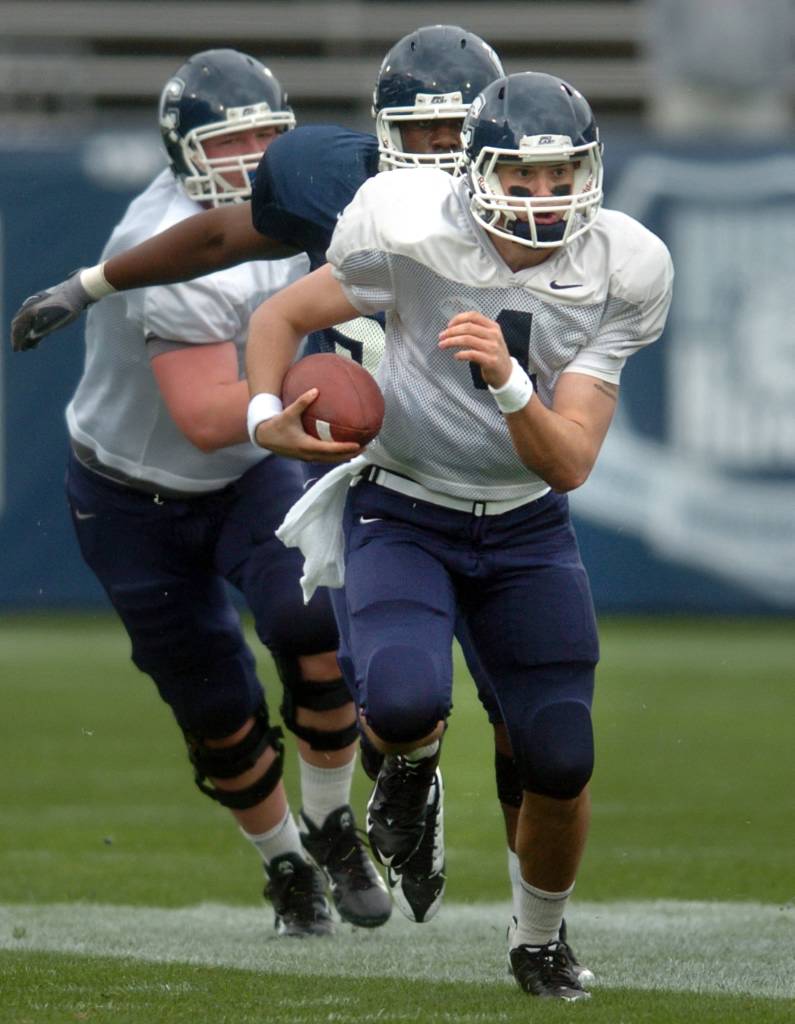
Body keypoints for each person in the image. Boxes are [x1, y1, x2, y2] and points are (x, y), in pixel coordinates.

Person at [11, 33, 593, 976]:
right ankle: (346, 828)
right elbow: (226, 236)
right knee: (301, 686)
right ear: (383, 133)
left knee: (538, 731)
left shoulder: (574, 220)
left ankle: (535, 923)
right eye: (423, 128)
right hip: (383, 482)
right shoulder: (343, 185)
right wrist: (91, 285)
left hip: (507, 486)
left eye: (459, 126)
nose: (443, 148)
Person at [243, 72, 674, 1000]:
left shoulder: (625, 265)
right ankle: (410, 773)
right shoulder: (406, 225)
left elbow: (568, 463)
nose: (543, 197)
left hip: (525, 526)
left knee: (559, 755)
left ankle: (539, 940)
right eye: (520, 179)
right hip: (403, 505)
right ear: (474, 174)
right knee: (400, 702)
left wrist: (510, 381)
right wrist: (265, 414)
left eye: (560, 177)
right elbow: (282, 314)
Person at [59, 48, 392, 938]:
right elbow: (209, 417)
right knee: (214, 706)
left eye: (261, 139)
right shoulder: (162, 238)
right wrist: (322, 383)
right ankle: (286, 864)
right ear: (180, 152)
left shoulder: (308, 201)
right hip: (133, 492)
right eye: (227, 142)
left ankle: (330, 825)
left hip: (250, 475)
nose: (249, 161)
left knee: (313, 626)